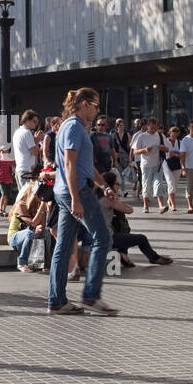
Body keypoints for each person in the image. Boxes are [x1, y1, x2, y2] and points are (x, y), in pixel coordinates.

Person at [47, 88, 115, 315]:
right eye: (96, 106)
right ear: (84, 104)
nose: (98, 112)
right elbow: (69, 164)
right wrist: (76, 199)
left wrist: (103, 185)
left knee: (64, 246)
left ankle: (57, 301)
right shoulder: (74, 127)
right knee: (103, 238)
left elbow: (86, 166)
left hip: (68, 191)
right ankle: (91, 296)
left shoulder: (74, 127)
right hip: (76, 192)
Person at [8, 172, 49, 272]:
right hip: (15, 237)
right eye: (39, 194)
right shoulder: (20, 205)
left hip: (29, 234)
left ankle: (41, 263)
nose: (42, 196)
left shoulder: (38, 206)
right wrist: (42, 208)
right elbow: (33, 224)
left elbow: (41, 225)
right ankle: (21, 262)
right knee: (31, 232)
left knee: (46, 233)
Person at [131, 117, 167, 214]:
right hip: (146, 165)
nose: (154, 129)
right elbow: (135, 152)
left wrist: (163, 148)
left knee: (158, 184)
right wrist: (145, 150)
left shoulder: (160, 135)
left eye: (155, 127)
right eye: (151, 127)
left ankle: (161, 206)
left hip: (158, 164)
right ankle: (145, 206)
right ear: (147, 126)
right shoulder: (141, 136)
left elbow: (167, 149)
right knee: (146, 185)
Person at [12, 110, 41, 190]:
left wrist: (34, 141)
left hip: (20, 169)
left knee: (22, 199)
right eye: (34, 121)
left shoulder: (17, 132)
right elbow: (34, 152)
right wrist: (37, 141)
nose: (36, 124)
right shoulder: (27, 133)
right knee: (28, 199)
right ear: (27, 120)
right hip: (27, 170)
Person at [0, 146, 17, 216]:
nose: (4, 153)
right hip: (1, 180)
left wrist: (13, 171)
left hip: (9, 180)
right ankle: (0, 209)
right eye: (2, 152)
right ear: (0, 153)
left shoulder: (11, 161)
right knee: (4, 195)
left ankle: (4, 210)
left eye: (6, 152)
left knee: (7, 196)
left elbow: (13, 170)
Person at [162, 125, 183, 212]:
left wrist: (175, 155)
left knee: (175, 184)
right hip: (167, 164)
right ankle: (173, 204)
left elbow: (182, 154)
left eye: (175, 135)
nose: (173, 136)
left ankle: (169, 199)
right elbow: (166, 153)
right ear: (169, 134)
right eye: (172, 134)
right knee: (170, 183)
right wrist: (176, 154)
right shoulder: (165, 142)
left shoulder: (180, 142)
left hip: (177, 164)